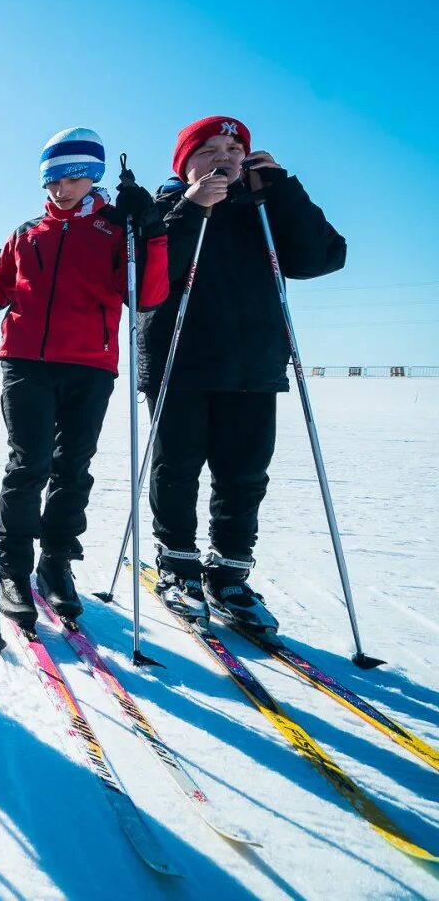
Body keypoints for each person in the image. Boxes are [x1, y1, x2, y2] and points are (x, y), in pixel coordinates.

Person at [139, 116, 346, 631]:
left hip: (253, 364)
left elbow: (322, 257)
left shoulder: (266, 209)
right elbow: (145, 276)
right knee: (177, 467)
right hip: (180, 363)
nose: (225, 158)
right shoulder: (164, 208)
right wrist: (192, 207)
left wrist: (281, 185)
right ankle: (178, 563)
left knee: (244, 474)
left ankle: (229, 571)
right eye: (209, 149)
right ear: (184, 163)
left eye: (234, 148)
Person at [0, 128, 169, 625]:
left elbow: (146, 296)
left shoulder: (115, 228)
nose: (61, 189)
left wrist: (150, 231)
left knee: (72, 468)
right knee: (28, 466)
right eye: (52, 180)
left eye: (73, 177)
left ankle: (56, 564)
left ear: (94, 177)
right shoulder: (26, 232)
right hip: (25, 363)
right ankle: (13, 571)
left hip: (90, 364)